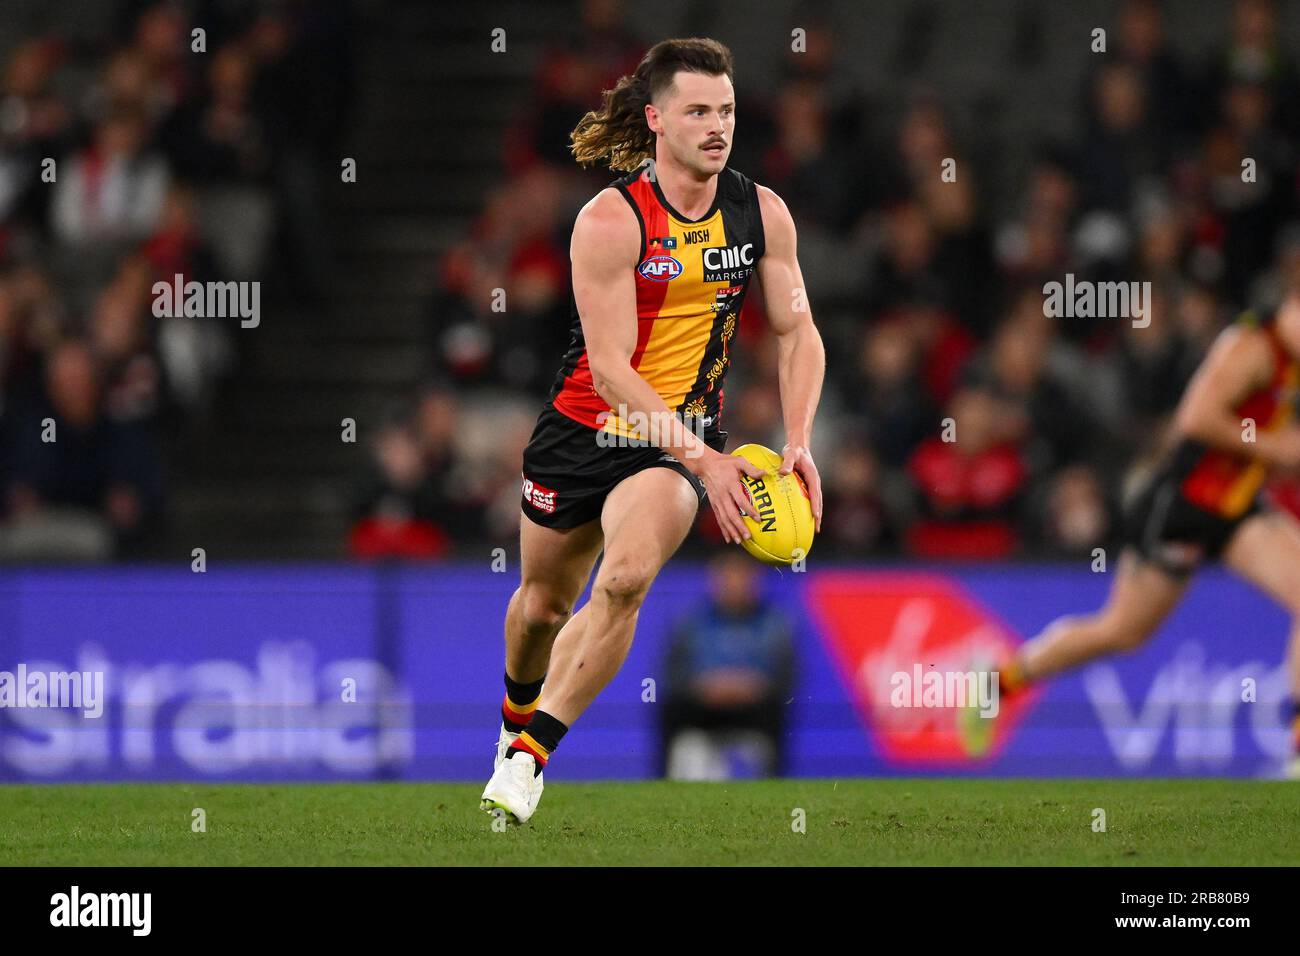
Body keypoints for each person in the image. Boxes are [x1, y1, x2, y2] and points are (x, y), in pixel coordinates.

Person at [479, 37, 825, 823]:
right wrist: (709, 459)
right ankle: (512, 719)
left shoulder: (762, 212)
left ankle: (529, 759)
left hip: (673, 445)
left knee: (627, 578)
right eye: (698, 110)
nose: (717, 126)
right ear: (656, 119)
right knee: (540, 606)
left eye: (728, 110)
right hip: (581, 432)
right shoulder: (610, 220)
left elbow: (800, 333)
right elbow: (608, 374)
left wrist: (797, 440)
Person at [981, 292, 1300, 776]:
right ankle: (999, 681)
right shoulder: (1254, 344)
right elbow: (1196, 419)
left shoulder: (1289, 360)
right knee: (1121, 632)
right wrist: (1276, 448)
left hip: (1235, 508)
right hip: (1182, 508)